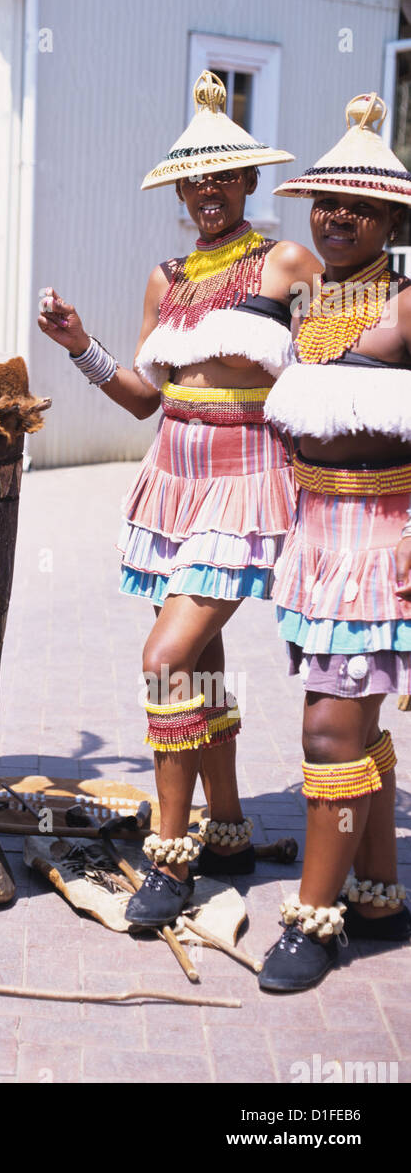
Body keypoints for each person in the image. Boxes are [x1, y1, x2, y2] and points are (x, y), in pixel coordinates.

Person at [38, 71, 318, 927]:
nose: (205, 193)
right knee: (197, 663)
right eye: (190, 181)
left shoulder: (287, 260)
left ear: (246, 183)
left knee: (165, 659)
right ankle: (227, 826)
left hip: (248, 478)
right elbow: (141, 396)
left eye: (219, 178)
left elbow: (335, 365)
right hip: (174, 475)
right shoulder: (166, 278)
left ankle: (170, 858)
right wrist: (78, 344)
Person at [258, 93, 410, 991]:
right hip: (316, 541)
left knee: (328, 730)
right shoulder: (310, 298)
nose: (336, 218)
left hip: (384, 539)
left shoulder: (407, 300)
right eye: (324, 203)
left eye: (357, 206)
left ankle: (313, 922)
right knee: (353, 718)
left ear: (393, 218)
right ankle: (380, 891)